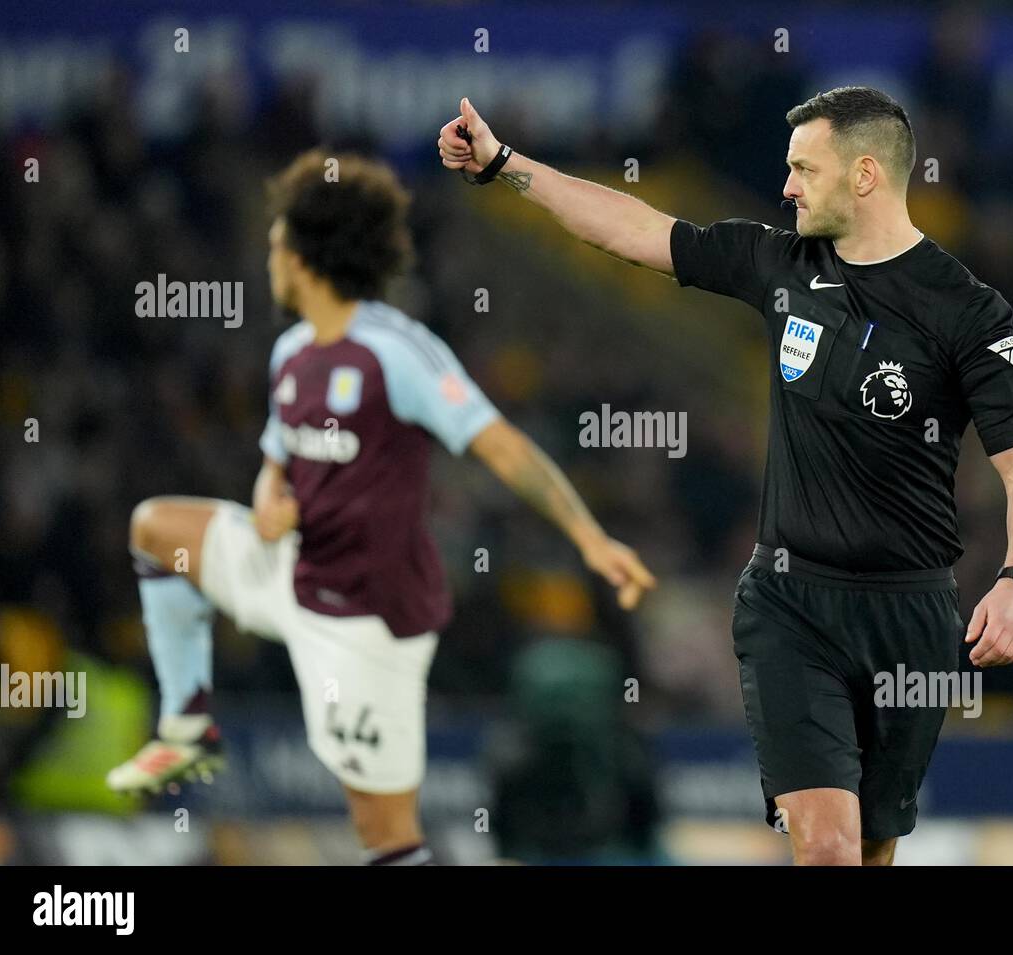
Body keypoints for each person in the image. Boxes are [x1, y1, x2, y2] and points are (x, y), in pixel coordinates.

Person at [437, 87, 1013, 865]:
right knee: (826, 847)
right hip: (791, 606)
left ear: (865, 174)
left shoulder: (968, 311)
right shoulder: (781, 266)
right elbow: (635, 229)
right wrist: (503, 165)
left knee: (869, 847)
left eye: (804, 168)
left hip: (911, 616)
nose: (788, 185)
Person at [107, 150, 656, 866]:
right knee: (155, 528)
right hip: (288, 570)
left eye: (277, 242)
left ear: (305, 254)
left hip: (365, 624)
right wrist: (269, 504)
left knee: (388, 840)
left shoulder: (396, 351)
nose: (269, 256)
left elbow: (503, 448)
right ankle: (187, 729)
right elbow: (275, 470)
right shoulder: (291, 354)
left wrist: (588, 536)